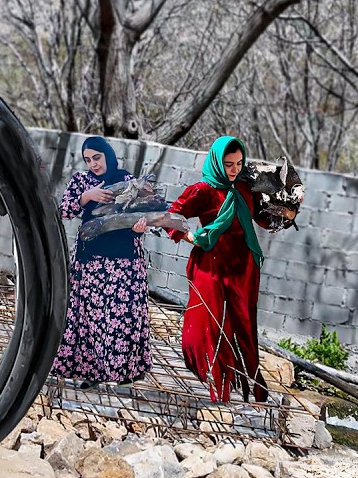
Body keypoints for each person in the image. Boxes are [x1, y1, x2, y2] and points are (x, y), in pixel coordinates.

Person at [168, 136, 272, 403]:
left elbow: (262, 219)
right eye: (228, 164)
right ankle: (220, 391)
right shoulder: (204, 190)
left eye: (239, 163)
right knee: (212, 327)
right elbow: (173, 215)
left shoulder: (247, 188)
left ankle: (254, 389)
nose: (234, 170)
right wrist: (191, 237)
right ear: (216, 162)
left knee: (245, 329)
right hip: (212, 267)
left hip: (243, 268)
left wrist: (290, 208)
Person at [52, 137, 150, 389]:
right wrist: (86, 196)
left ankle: (125, 371)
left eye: (97, 157)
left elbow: (142, 216)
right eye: (88, 159)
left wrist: (140, 228)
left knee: (122, 316)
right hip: (91, 262)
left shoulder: (128, 181)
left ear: (107, 154)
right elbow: (64, 211)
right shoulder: (81, 182)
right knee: (91, 317)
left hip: (125, 262)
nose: (93, 164)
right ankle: (92, 373)